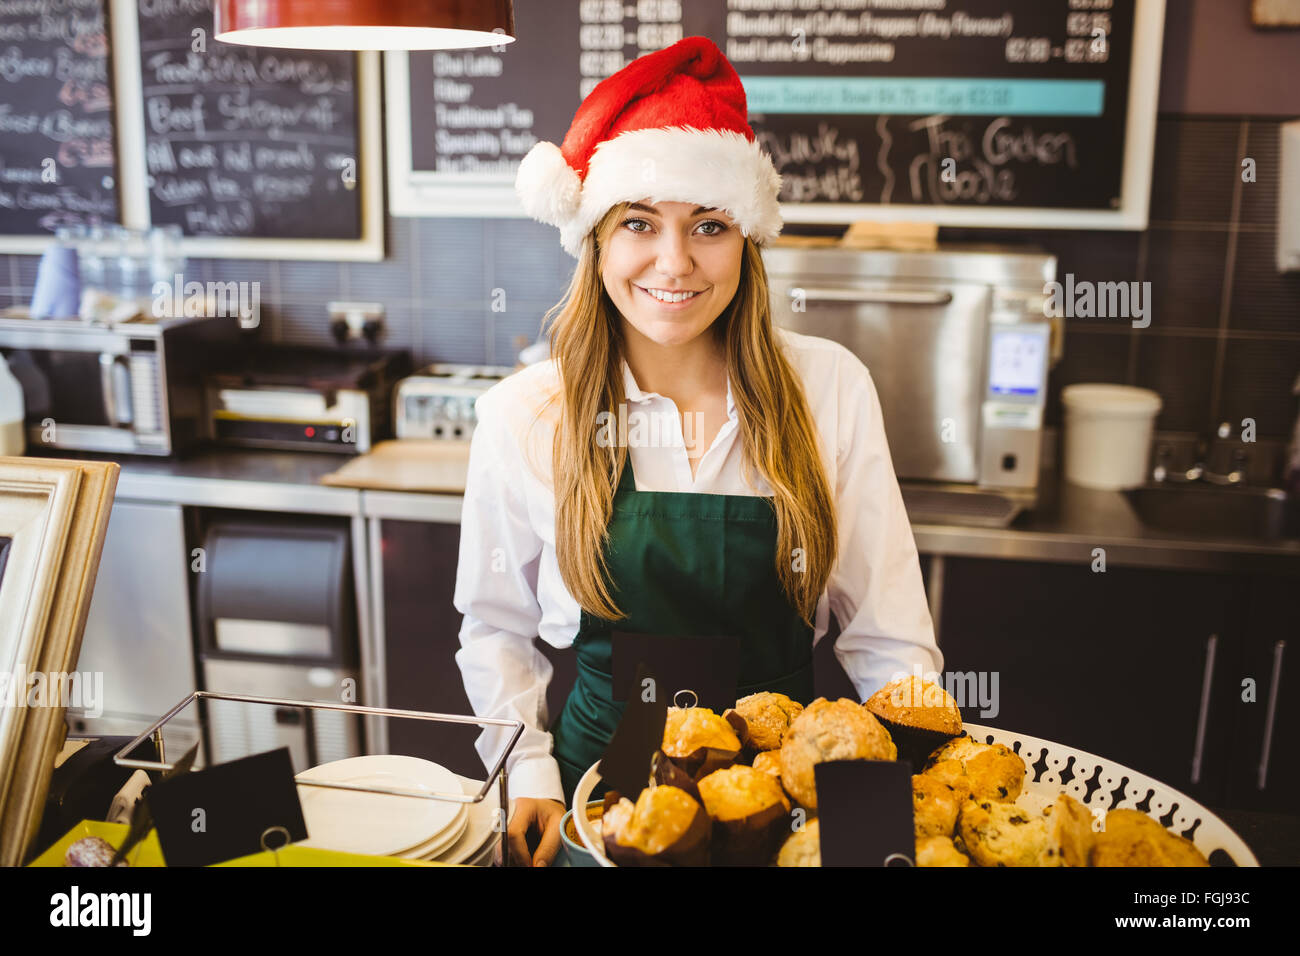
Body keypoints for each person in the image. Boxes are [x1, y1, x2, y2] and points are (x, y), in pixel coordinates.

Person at [452, 36, 941, 867]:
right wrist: (525, 768)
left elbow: (889, 641)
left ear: (746, 241)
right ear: (596, 241)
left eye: (708, 226)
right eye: (638, 223)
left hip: (790, 803)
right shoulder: (526, 413)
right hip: (593, 802)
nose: (673, 263)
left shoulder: (830, 389)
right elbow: (497, 626)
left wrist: (907, 806)